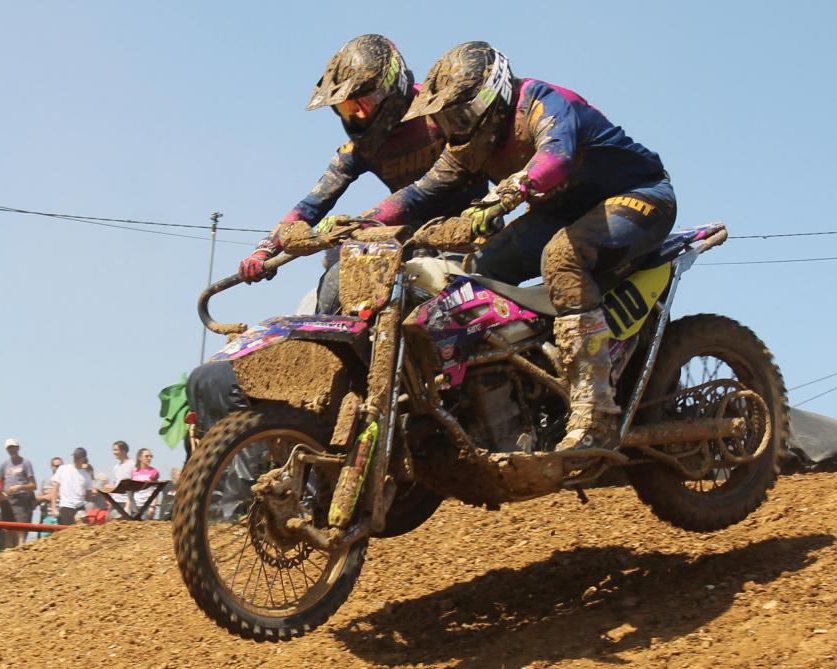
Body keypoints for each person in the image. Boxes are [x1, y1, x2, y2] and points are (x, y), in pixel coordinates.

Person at [355, 41, 677, 450]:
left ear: (497, 94)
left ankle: (595, 411)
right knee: (477, 271)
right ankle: (520, 386)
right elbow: (421, 192)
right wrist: (363, 222)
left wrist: (509, 191)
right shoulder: (466, 144)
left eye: (462, 113)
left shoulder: (542, 103)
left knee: (561, 258)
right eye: (446, 118)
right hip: (562, 211)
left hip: (638, 195)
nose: (455, 126)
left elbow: (556, 158)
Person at [237, 33, 486, 314]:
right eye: (345, 108)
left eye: (360, 104)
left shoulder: (439, 112)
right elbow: (313, 203)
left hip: (466, 239)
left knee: (444, 308)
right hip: (403, 239)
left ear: (390, 88)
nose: (354, 116)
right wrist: (265, 249)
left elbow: (486, 159)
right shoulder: (359, 149)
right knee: (318, 301)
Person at [0, 438, 37, 547]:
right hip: (8, 500)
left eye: (13, 447)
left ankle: (21, 549)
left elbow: (33, 485)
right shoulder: (4, 465)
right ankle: (9, 553)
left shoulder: (25, 463)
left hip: (21, 498)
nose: (11, 450)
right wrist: (1, 494)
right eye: (9, 448)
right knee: (8, 528)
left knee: (21, 528)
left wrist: (20, 487)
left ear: (18, 448)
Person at [50, 447, 92, 526]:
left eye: (78, 457)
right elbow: (55, 489)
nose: (75, 459)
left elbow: (89, 496)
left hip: (79, 507)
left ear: (83, 458)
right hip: (66, 506)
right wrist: (53, 508)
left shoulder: (86, 476)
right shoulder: (63, 469)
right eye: (75, 457)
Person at [103, 441, 134, 518]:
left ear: (123, 451)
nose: (114, 452)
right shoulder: (116, 468)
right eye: (113, 450)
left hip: (126, 502)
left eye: (116, 450)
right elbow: (116, 486)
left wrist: (128, 505)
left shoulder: (132, 465)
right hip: (116, 502)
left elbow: (133, 486)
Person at [130, 448, 160, 518]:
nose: (149, 458)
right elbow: (131, 491)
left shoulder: (154, 471)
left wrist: (152, 506)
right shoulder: (134, 473)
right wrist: (128, 506)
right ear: (140, 458)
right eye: (146, 456)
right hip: (135, 506)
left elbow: (156, 490)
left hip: (147, 506)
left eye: (151, 456)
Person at [37, 456, 63, 525]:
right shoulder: (45, 481)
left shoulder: (66, 482)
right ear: (51, 466)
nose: (59, 468)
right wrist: (45, 497)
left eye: (61, 466)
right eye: (57, 466)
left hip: (61, 517)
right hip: (46, 518)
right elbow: (37, 499)